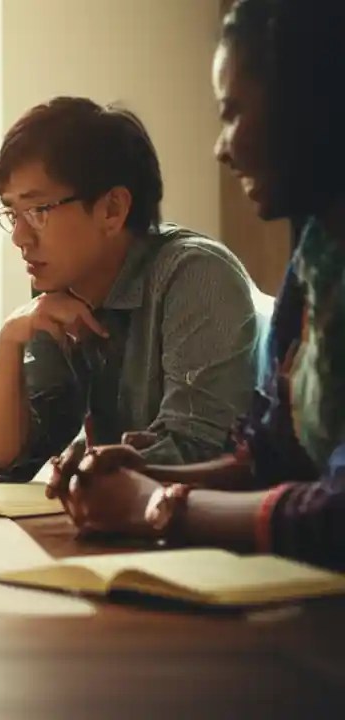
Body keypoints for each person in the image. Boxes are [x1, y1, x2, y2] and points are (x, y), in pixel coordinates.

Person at [53, 0, 345, 570]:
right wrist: (138, 474)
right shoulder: (315, 261)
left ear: (308, 106)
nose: (222, 147)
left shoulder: (196, 272)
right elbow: (265, 456)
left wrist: (158, 505)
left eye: (233, 113)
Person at [0, 98, 259, 484]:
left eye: (37, 211)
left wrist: (85, 471)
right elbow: (9, 463)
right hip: (127, 525)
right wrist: (10, 338)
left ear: (112, 209)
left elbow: (195, 451)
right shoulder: (60, 291)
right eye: (12, 212)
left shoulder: (196, 275)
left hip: (199, 532)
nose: (18, 237)